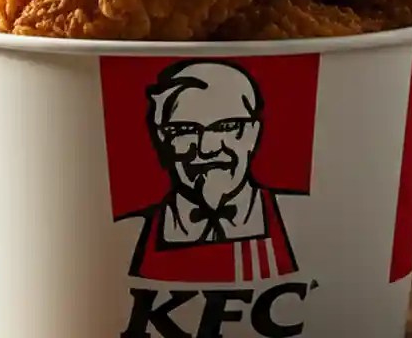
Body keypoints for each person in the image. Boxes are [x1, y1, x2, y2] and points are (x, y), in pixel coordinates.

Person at [119, 60, 298, 282]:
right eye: (185, 129)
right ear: (163, 139)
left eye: (227, 126)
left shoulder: (300, 218)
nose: (207, 148)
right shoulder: (127, 234)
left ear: (253, 133)